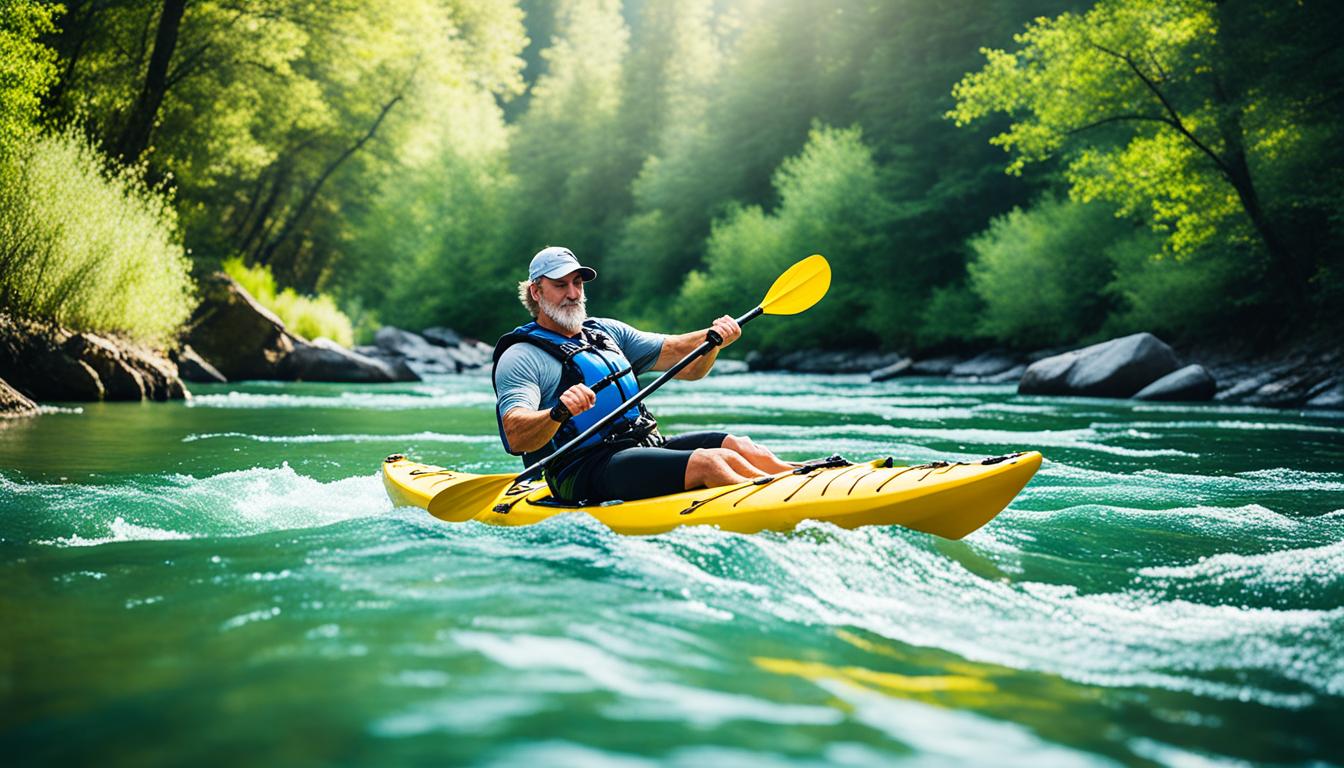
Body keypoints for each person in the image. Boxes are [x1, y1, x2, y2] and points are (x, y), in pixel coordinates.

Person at [492, 246, 796, 503]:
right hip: (584, 469)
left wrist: (715, 339)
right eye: (561, 285)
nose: (573, 294)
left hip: (644, 446)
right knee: (710, 462)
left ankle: (801, 479)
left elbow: (688, 364)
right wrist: (558, 412)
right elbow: (516, 436)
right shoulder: (523, 356)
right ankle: (781, 505)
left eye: (577, 283)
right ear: (536, 291)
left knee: (737, 446)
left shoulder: (606, 333)